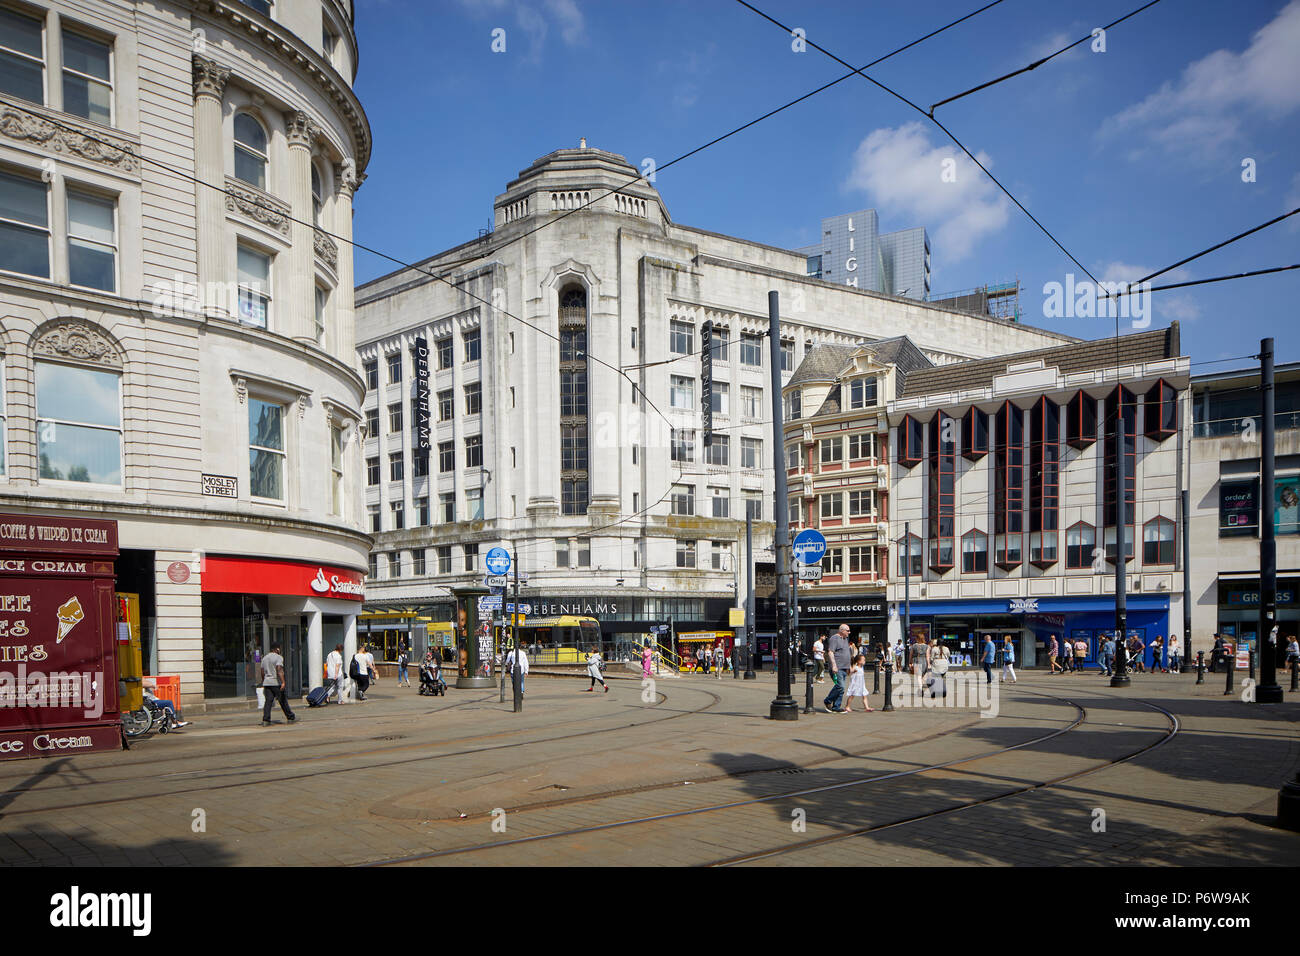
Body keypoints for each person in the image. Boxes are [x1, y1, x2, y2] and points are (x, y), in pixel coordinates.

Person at [261, 642, 297, 726]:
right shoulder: (279, 657)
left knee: (268, 702)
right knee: (282, 700)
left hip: (267, 682)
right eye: (279, 648)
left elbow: (262, 671)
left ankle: (266, 720)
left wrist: (264, 681)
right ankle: (290, 717)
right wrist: (283, 682)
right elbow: (279, 669)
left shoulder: (264, 658)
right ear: (277, 649)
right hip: (276, 682)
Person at [823, 624, 852, 713]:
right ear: (842, 630)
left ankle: (836, 707)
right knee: (840, 686)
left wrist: (849, 667)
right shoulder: (834, 638)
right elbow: (831, 652)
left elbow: (846, 653)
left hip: (844, 667)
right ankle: (827, 700)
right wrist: (834, 665)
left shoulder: (845, 639)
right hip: (837, 668)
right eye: (848, 630)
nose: (849, 632)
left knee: (841, 689)